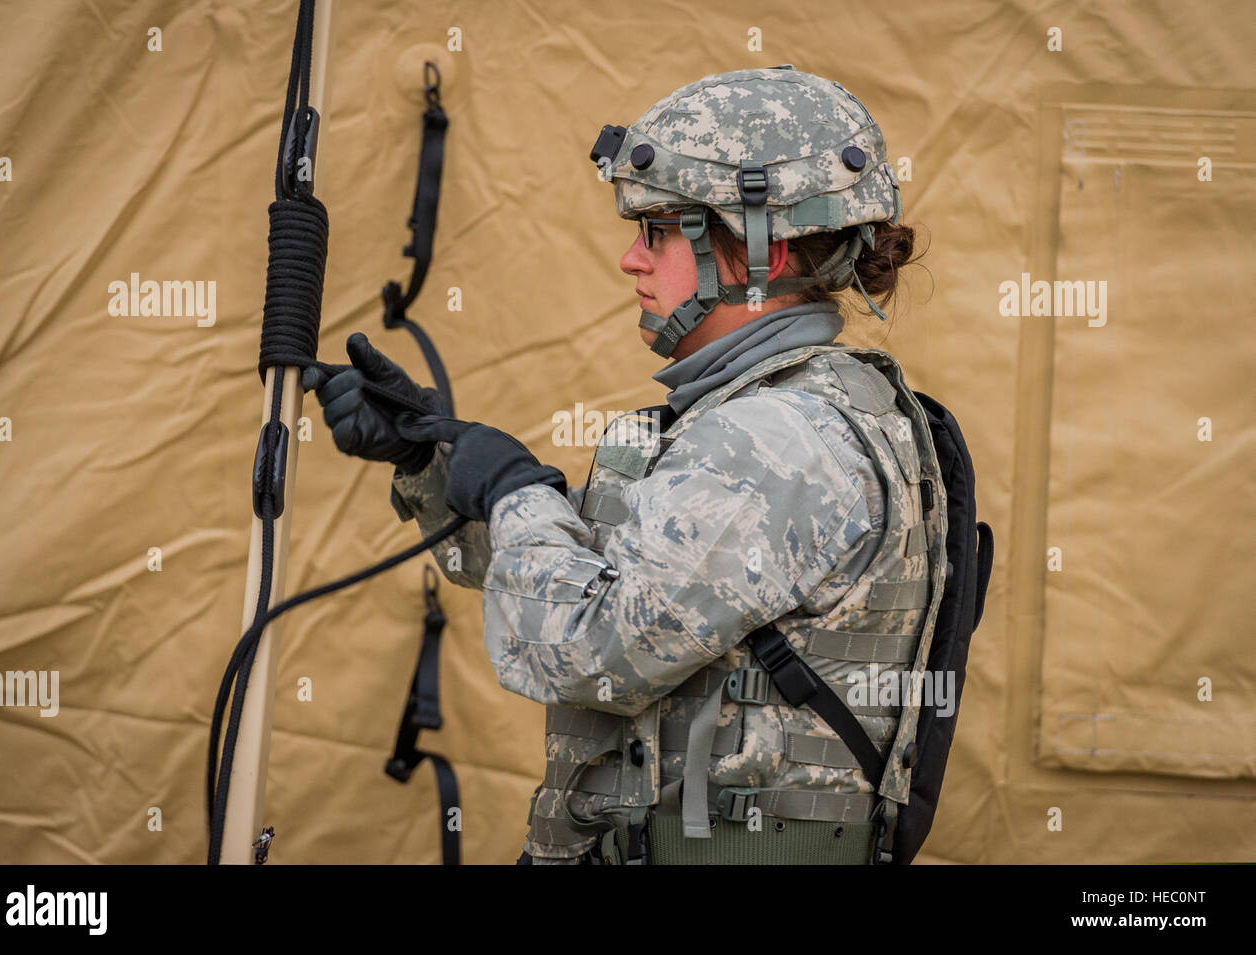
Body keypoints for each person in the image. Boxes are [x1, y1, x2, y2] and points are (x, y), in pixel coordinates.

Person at [303, 66, 945, 865]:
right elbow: (606, 574)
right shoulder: (773, 412)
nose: (629, 262)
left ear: (761, 251)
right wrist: (432, 459)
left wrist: (514, 487)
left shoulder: (779, 439)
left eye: (657, 232)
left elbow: (588, 645)